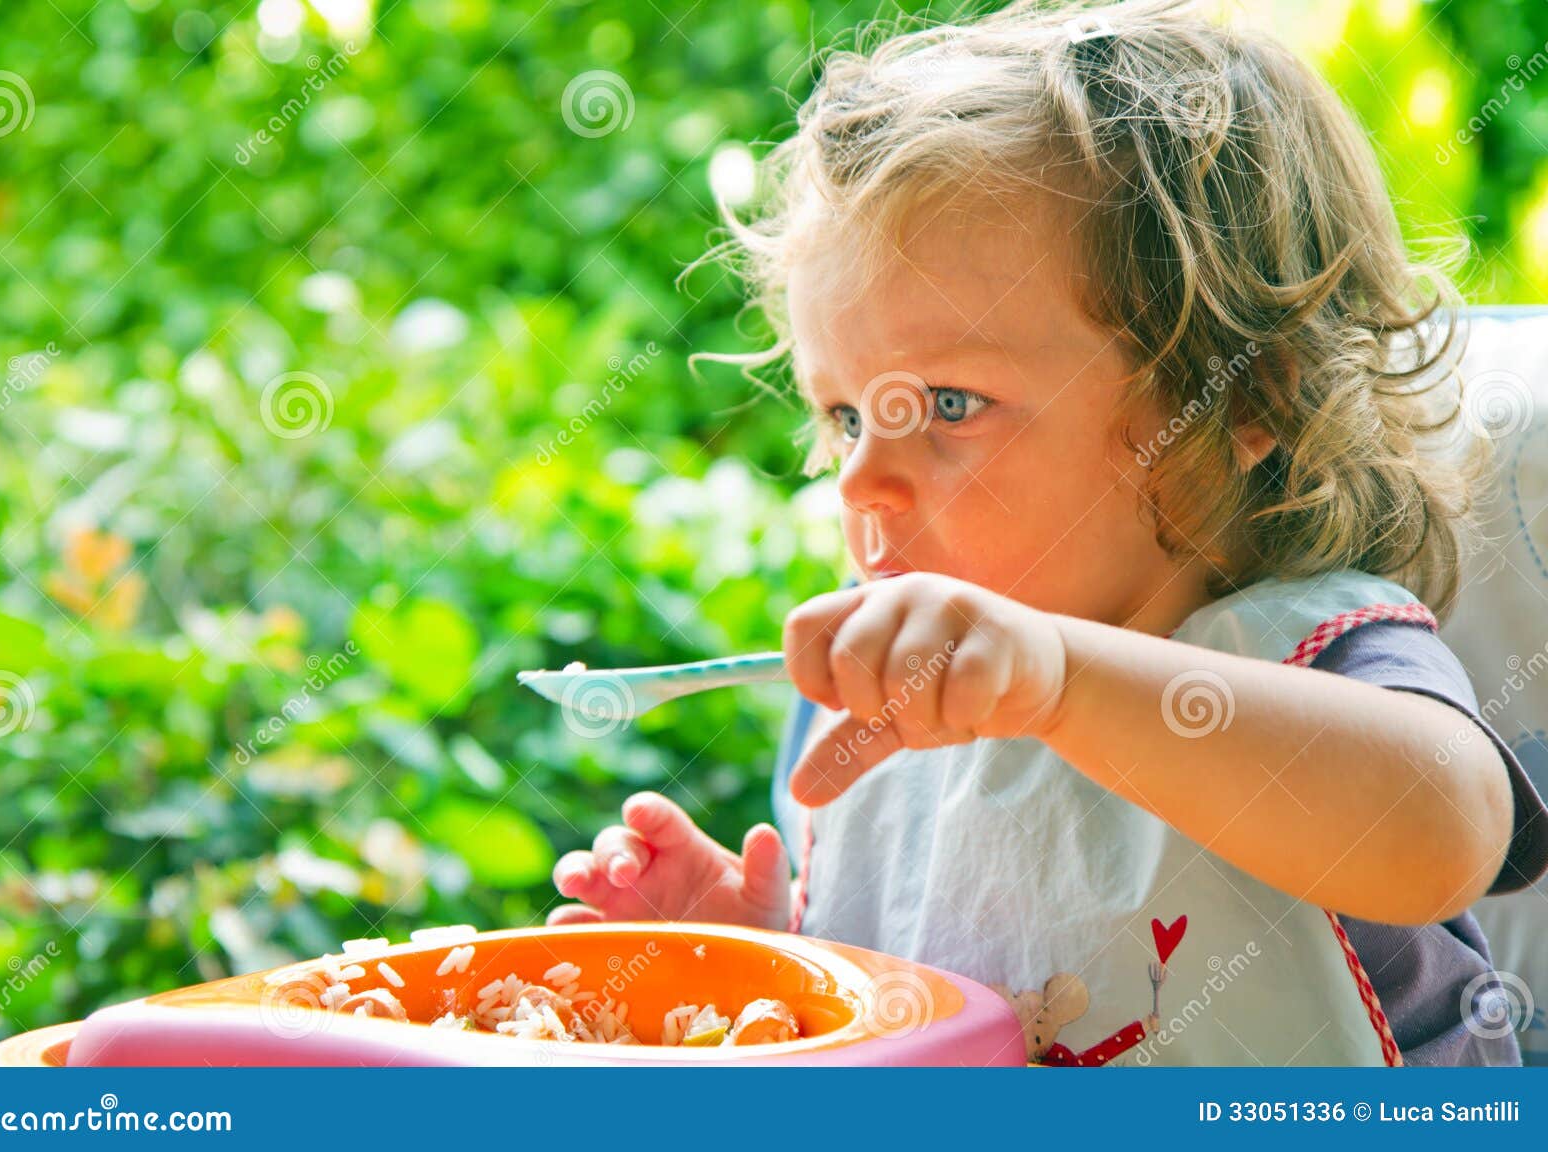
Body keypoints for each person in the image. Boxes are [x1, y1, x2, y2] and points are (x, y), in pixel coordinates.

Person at [547, 0, 1548, 1064]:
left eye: (946, 404)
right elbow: (931, 1023)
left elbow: (1440, 831)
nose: (859, 480)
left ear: (1239, 402)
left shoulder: (1314, 650)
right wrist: (771, 967)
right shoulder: (895, 718)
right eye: (842, 415)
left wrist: (1059, 678)